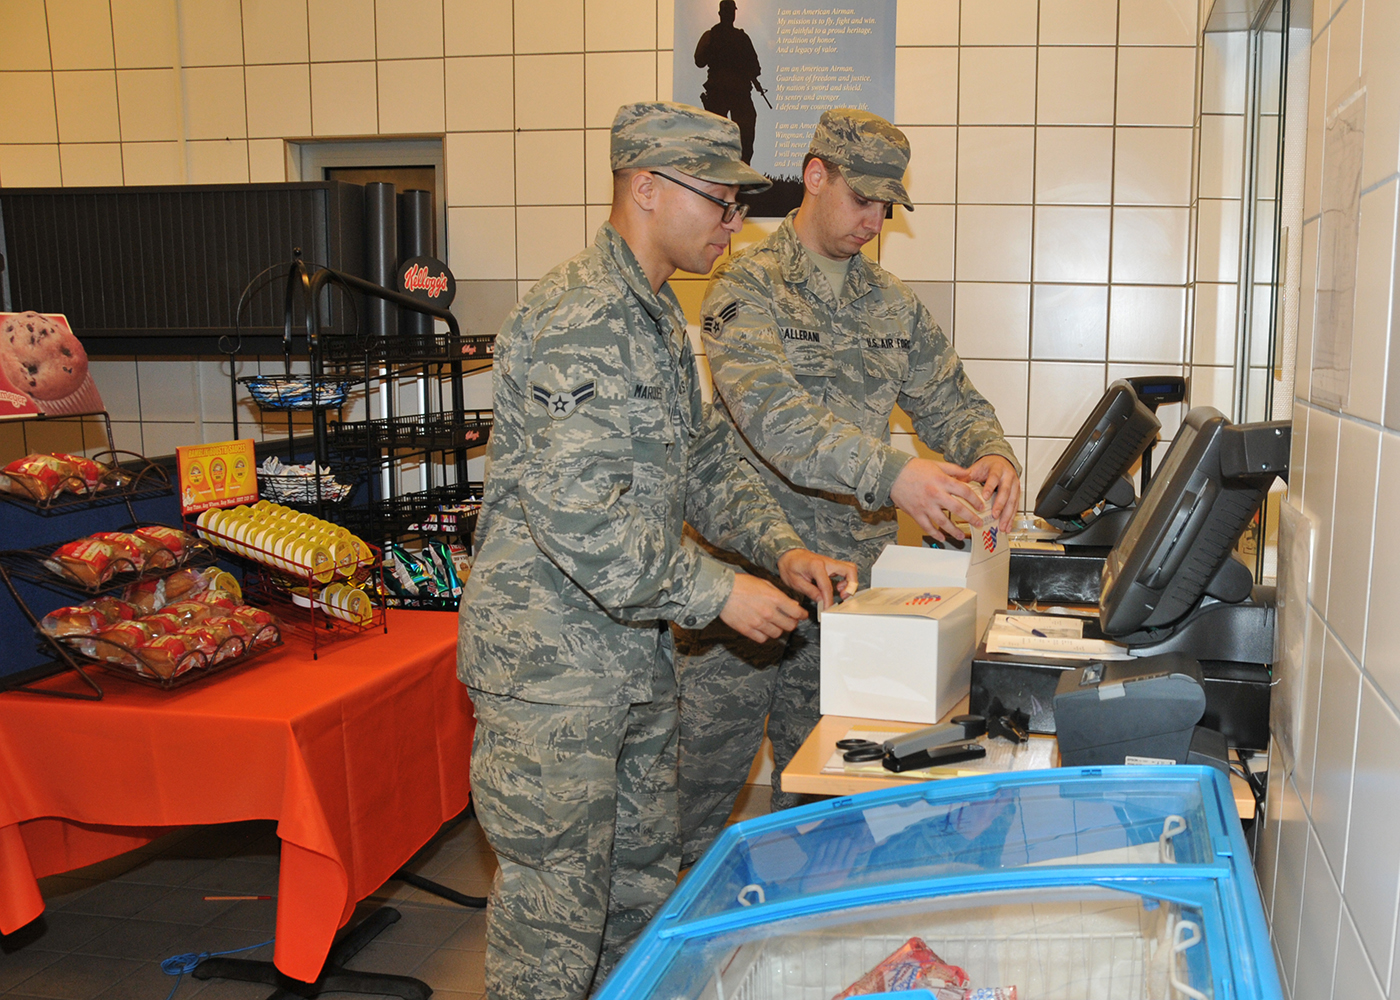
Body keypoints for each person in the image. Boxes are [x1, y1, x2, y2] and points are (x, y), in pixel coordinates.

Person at [456, 101, 858, 1000]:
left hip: (632, 657)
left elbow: (705, 459)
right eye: (719, 200)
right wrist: (719, 593)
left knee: (638, 897)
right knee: (554, 927)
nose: (734, 222)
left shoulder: (654, 318)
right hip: (547, 674)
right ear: (646, 187)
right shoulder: (576, 318)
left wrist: (781, 549)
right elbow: (579, 519)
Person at [676, 108, 1023, 867]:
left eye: (886, 207)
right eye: (860, 199)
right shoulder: (746, 284)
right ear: (814, 175)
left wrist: (991, 453)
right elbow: (774, 416)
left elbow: (952, 402)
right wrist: (897, 473)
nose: (873, 220)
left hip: (844, 601)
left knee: (829, 807)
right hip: (739, 590)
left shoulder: (892, 305)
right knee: (692, 807)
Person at [693, 0, 763, 163]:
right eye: (728, 11)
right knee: (721, 135)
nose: (729, 14)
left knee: (741, 135)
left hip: (730, 92)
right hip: (726, 92)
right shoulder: (719, 36)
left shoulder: (720, 36)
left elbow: (755, 67)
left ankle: (740, 169)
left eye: (730, 11)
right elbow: (699, 61)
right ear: (722, 14)